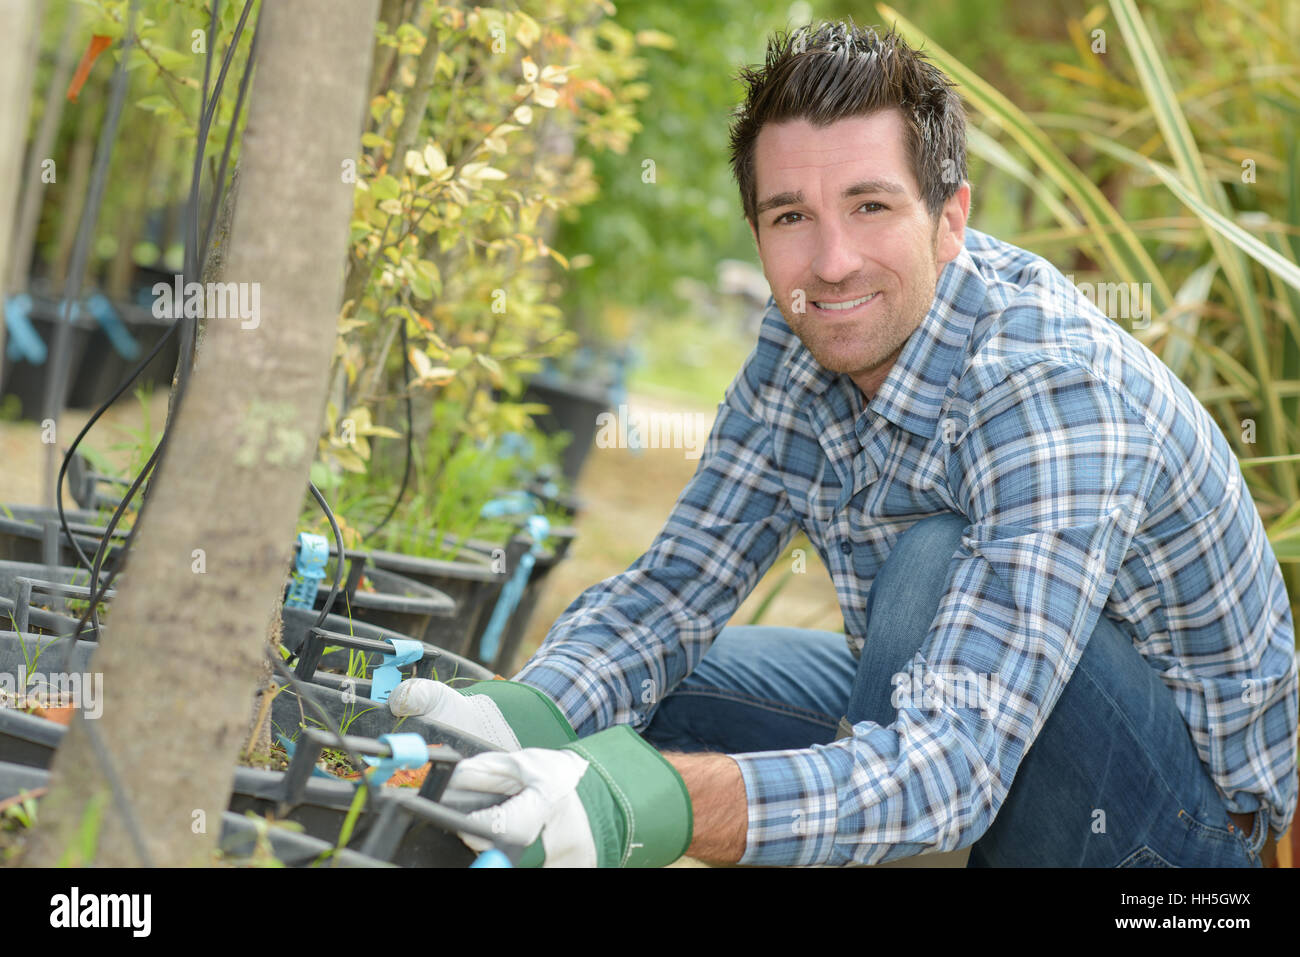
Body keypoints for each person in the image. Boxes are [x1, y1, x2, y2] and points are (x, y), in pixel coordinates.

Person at [391, 19, 1298, 868]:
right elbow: (675, 588)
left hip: (1181, 830)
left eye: (869, 206)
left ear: (950, 218)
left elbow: (956, 764)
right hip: (957, 694)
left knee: (928, 561)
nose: (830, 263)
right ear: (757, 231)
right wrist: (519, 715)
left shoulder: (1050, 387)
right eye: (791, 216)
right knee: (633, 701)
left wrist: (655, 803)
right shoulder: (801, 339)